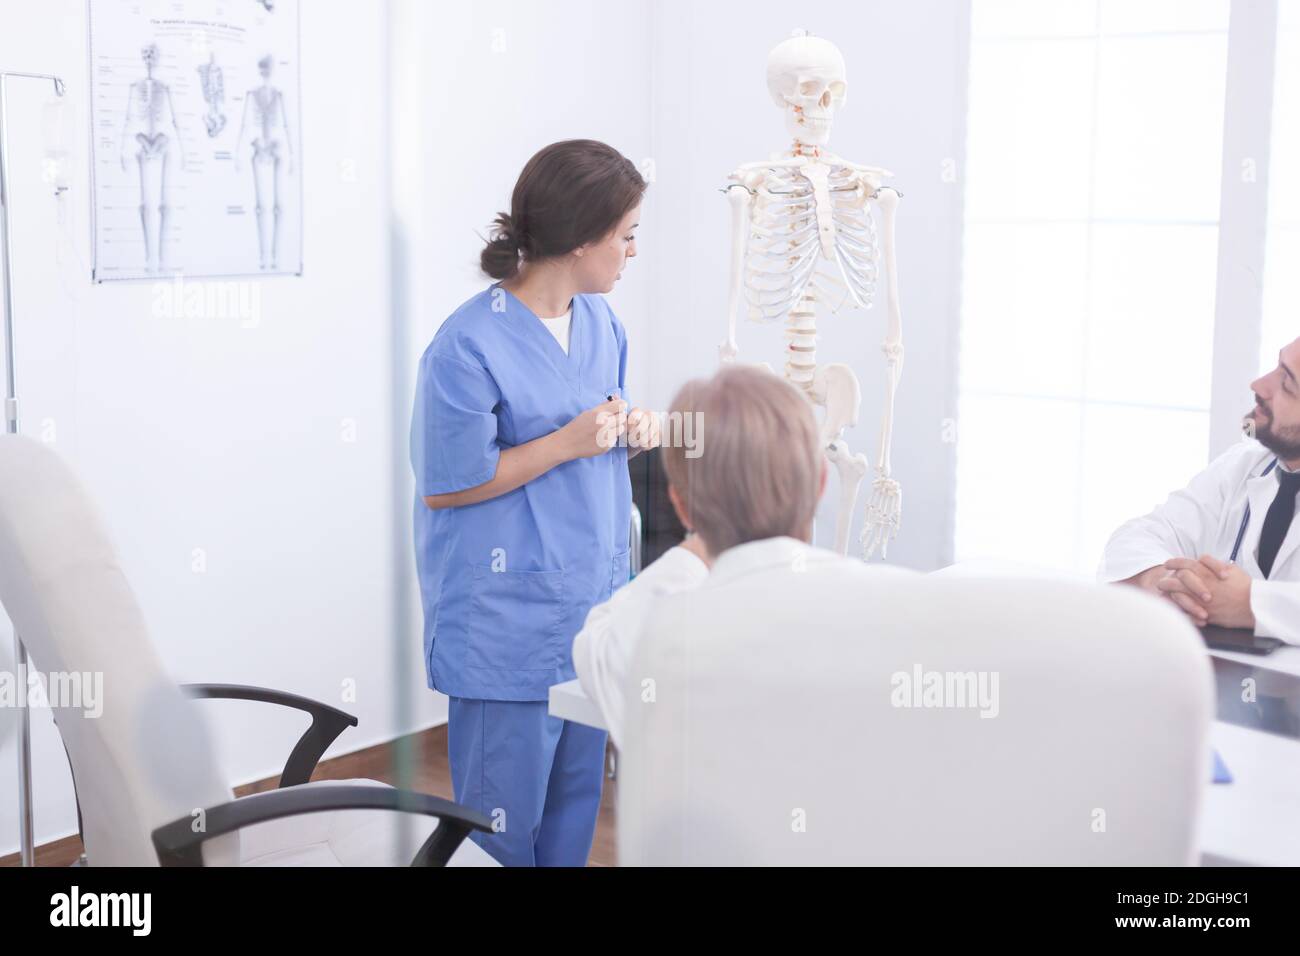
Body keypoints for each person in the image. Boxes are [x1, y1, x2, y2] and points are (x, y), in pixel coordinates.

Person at [410, 140, 660, 866]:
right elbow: (447, 482)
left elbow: (591, 426)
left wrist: (627, 429)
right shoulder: (466, 346)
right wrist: (570, 442)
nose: (633, 251)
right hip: (506, 628)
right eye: (627, 235)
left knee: (572, 818)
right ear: (583, 239)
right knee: (500, 840)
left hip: (589, 614)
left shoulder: (601, 323)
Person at [572, 364, 907, 746]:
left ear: (681, 507)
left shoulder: (648, 633)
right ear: (820, 483)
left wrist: (695, 545)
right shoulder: (892, 611)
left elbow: (594, 641)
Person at [1100, 337, 1300, 644]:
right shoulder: (1241, 466)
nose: (1259, 385)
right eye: (1276, 367)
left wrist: (1251, 604)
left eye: (1287, 383)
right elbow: (1137, 536)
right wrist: (1167, 582)